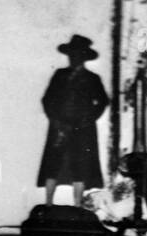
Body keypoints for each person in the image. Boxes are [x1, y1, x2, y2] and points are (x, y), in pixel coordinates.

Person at [37, 35, 110, 208]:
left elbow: (103, 101)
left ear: (84, 57)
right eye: (72, 54)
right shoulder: (60, 75)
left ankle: (78, 206)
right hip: (59, 127)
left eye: (78, 55)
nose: (74, 58)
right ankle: (48, 205)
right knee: (53, 164)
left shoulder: (92, 78)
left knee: (81, 165)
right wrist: (55, 120)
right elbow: (47, 100)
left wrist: (88, 118)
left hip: (83, 129)